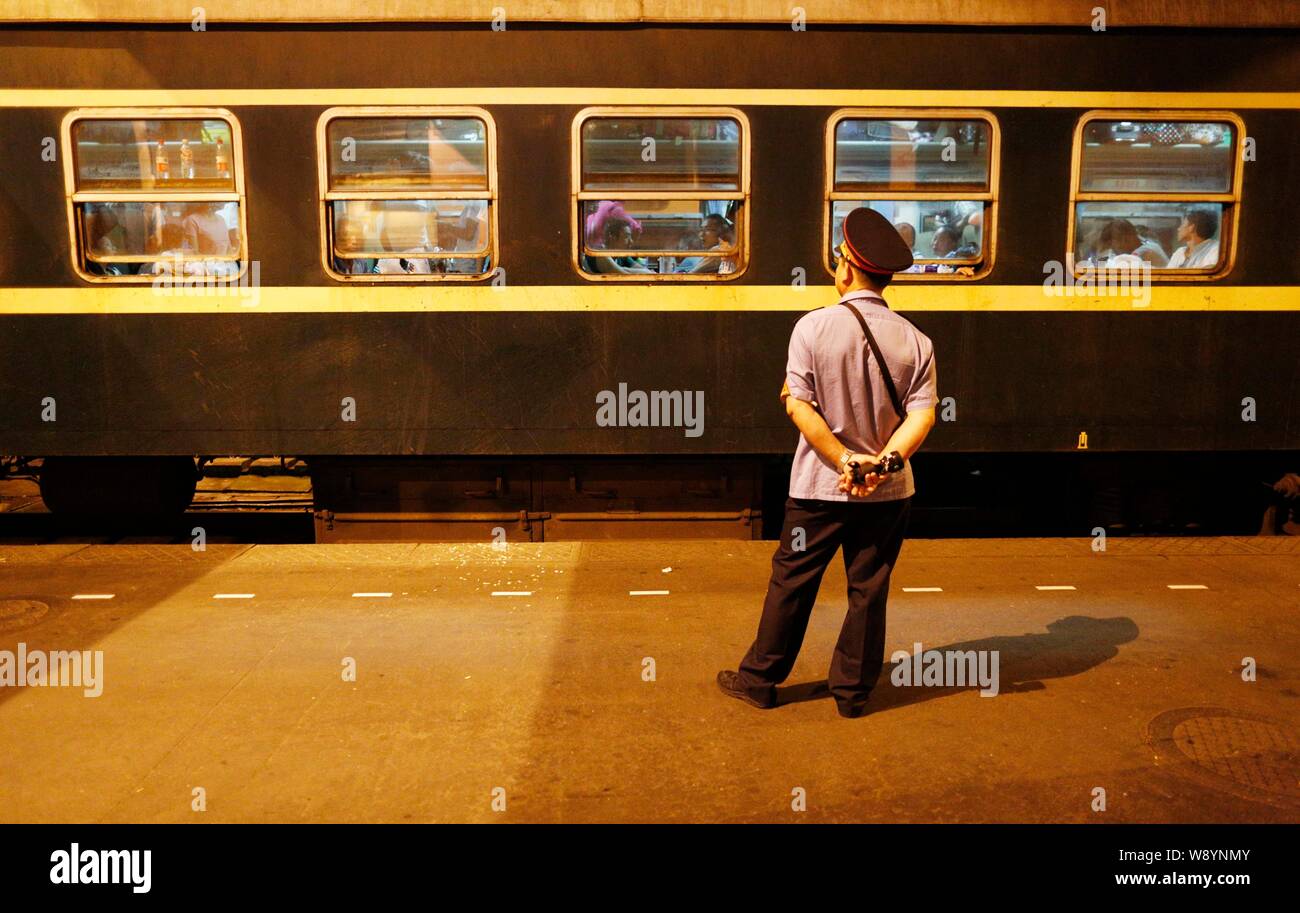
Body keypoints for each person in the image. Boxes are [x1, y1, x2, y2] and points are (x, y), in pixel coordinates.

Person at [717, 206, 938, 718]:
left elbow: (801, 406)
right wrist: (879, 465)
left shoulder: (811, 329)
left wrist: (843, 460)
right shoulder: (917, 342)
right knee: (868, 588)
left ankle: (761, 681)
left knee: (793, 580)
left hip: (817, 488)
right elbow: (921, 420)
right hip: (887, 494)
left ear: (846, 268)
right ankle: (853, 693)